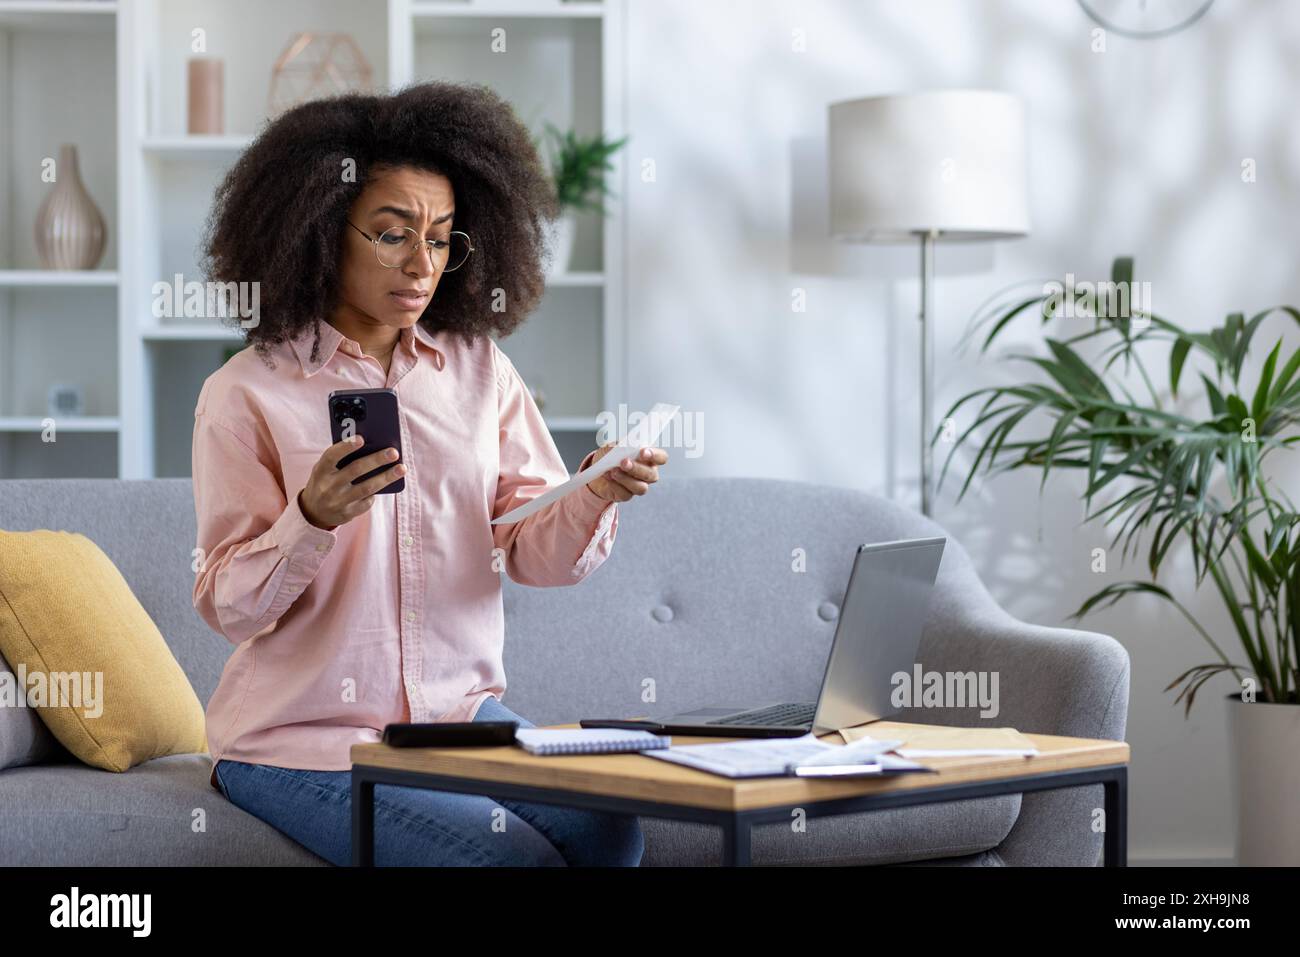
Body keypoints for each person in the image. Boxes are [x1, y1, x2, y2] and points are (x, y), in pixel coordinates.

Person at [190, 81, 667, 866]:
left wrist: (590, 494)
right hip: (299, 741)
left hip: (456, 718)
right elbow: (226, 605)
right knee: (501, 858)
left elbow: (529, 549)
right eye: (391, 233)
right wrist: (309, 518)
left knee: (610, 829)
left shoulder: (480, 371)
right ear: (319, 231)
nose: (422, 264)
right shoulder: (245, 393)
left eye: (443, 239)